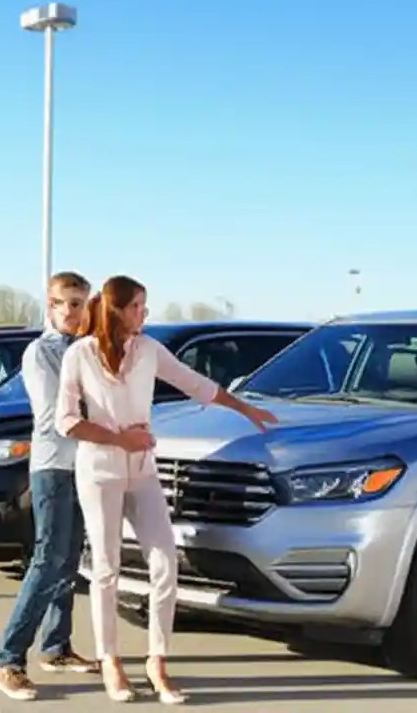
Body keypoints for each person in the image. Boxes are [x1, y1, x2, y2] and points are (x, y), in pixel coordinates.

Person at [55, 275, 278, 703]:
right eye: (139, 306)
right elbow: (65, 421)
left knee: (165, 561)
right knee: (106, 568)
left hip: (142, 472)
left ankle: (157, 661)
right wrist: (120, 438)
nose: (145, 313)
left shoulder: (149, 350)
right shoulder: (80, 355)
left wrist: (246, 409)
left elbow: (197, 384)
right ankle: (111, 663)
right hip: (99, 472)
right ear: (117, 309)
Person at [0, 271, 100, 701]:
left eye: (81, 303)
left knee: (70, 558)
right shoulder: (41, 353)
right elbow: (57, 414)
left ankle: (56, 646)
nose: (74, 312)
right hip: (54, 466)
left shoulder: (88, 350)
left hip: (86, 467)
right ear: (51, 306)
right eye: (66, 303)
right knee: (48, 557)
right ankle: (9, 658)